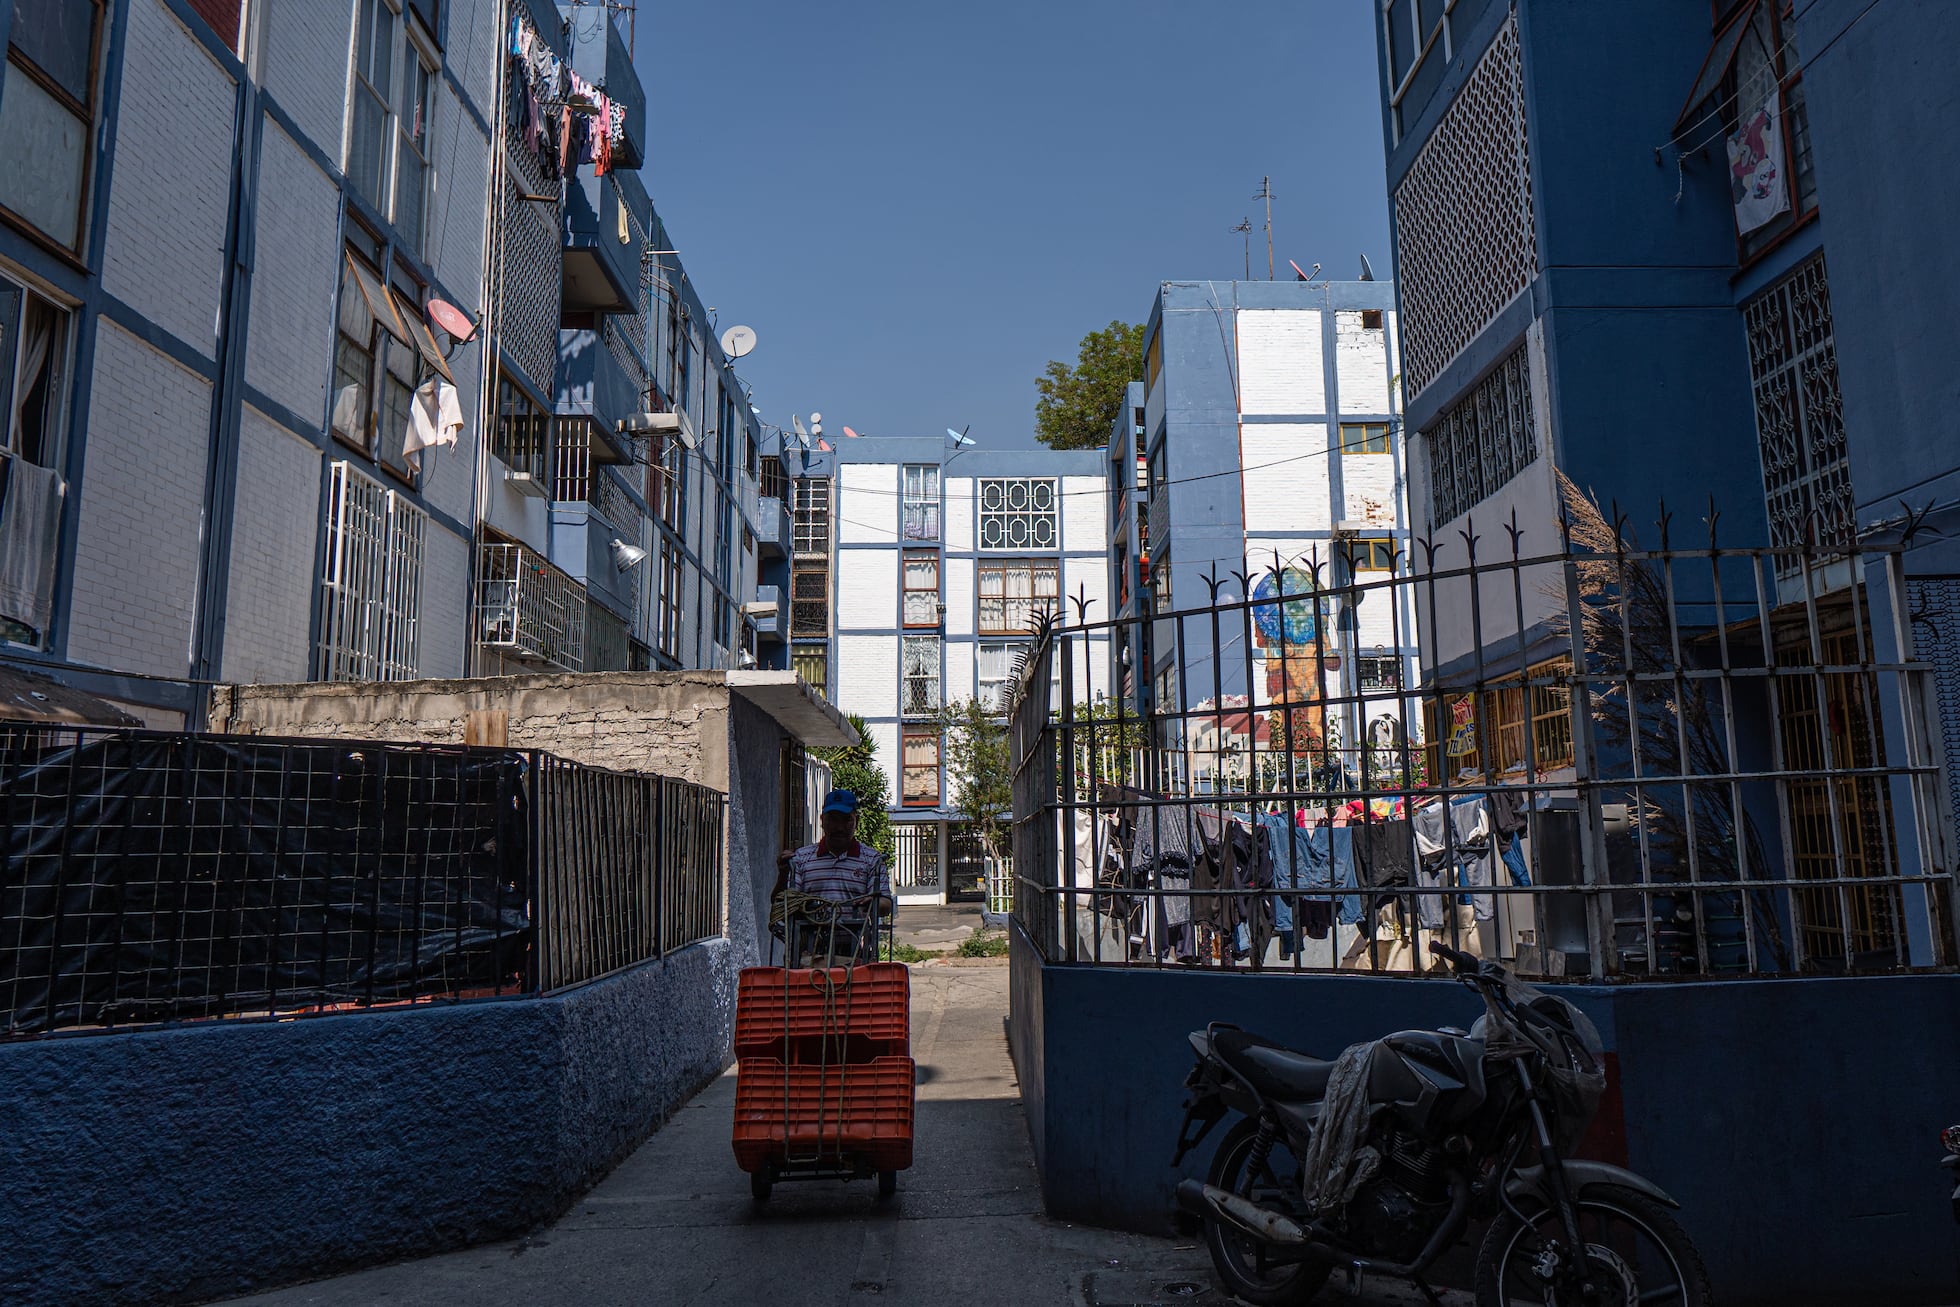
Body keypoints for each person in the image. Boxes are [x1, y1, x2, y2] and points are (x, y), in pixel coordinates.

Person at [773, 789, 893, 964]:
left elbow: (885, 904)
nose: (839, 827)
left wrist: (873, 902)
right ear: (822, 821)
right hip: (808, 954)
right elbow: (783, 905)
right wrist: (783, 874)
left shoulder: (872, 861)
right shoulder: (801, 859)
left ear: (856, 821)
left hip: (853, 953)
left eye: (846, 820)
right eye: (833, 820)